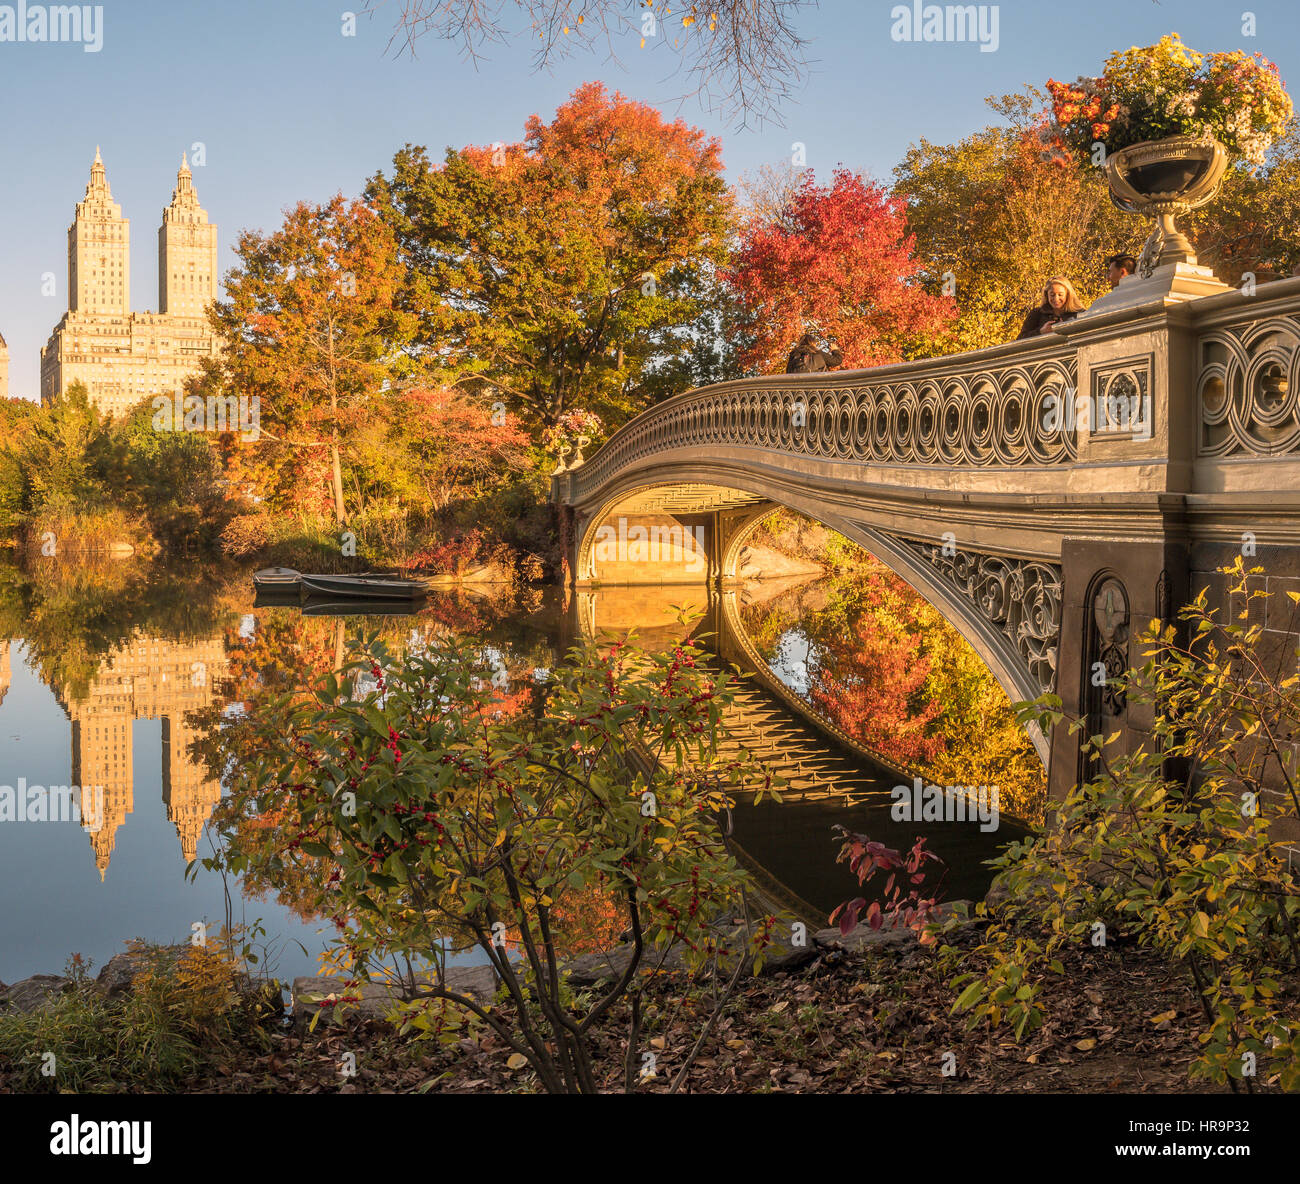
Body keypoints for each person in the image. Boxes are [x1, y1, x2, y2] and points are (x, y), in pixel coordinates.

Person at [1016, 277, 1086, 340]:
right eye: (1052, 295)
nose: (1056, 298)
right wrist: (1041, 332)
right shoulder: (1037, 313)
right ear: (1047, 295)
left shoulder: (1079, 314)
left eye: (1060, 295)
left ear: (1068, 295)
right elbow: (1020, 340)